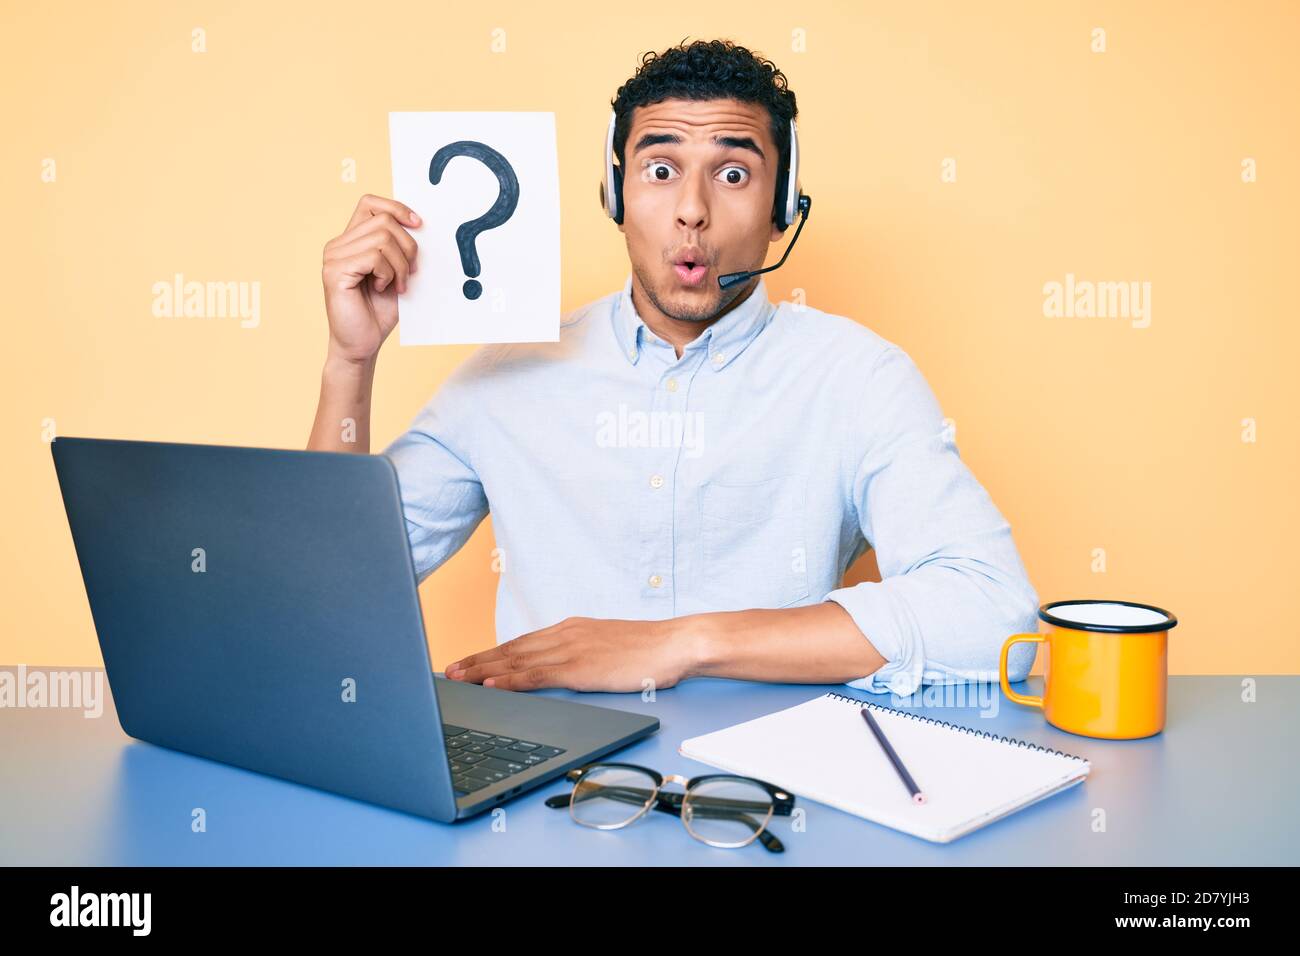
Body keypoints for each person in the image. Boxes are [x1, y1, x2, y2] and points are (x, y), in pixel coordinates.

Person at [308, 38, 1039, 695]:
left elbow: (994, 618)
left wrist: (680, 643)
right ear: (615, 194)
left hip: (772, 782)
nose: (691, 209)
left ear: (784, 205)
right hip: (545, 790)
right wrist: (352, 357)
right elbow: (325, 595)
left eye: (731, 173)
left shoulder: (857, 378)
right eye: (660, 169)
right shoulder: (503, 374)